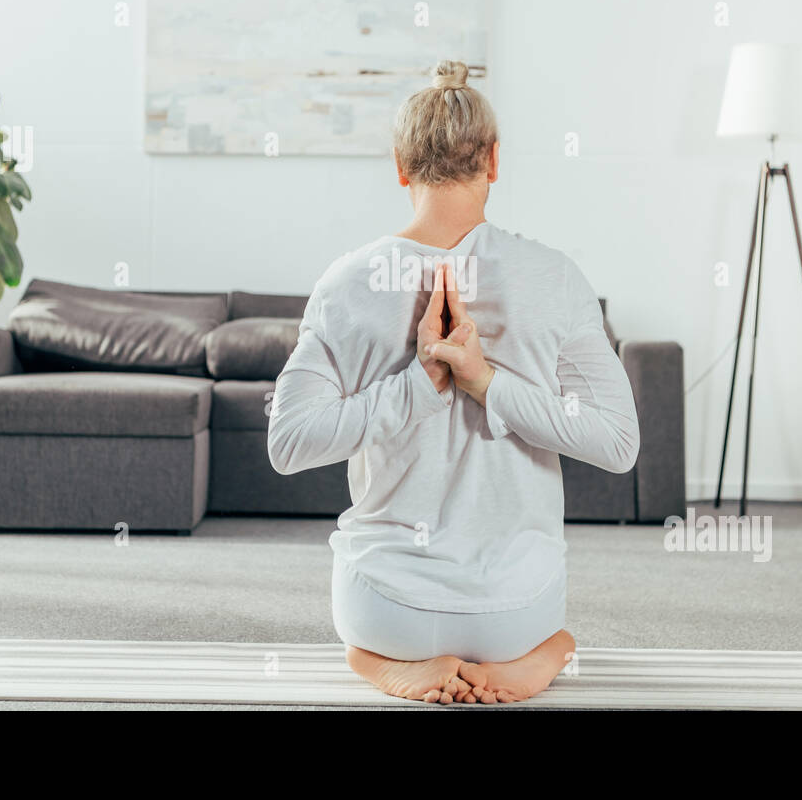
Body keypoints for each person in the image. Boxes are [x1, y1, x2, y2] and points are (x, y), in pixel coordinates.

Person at [267, 60, 640, 704]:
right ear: (493, 162)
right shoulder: (553, 277)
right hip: (516, 615)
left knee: (357, 631)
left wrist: (420, 383)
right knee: (560, 637)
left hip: (386, 610)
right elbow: (618, 444)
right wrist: (487, 382)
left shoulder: (348, 282)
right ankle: (550, 652)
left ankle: (371, 660)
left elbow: (288, 444)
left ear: (401, 166)